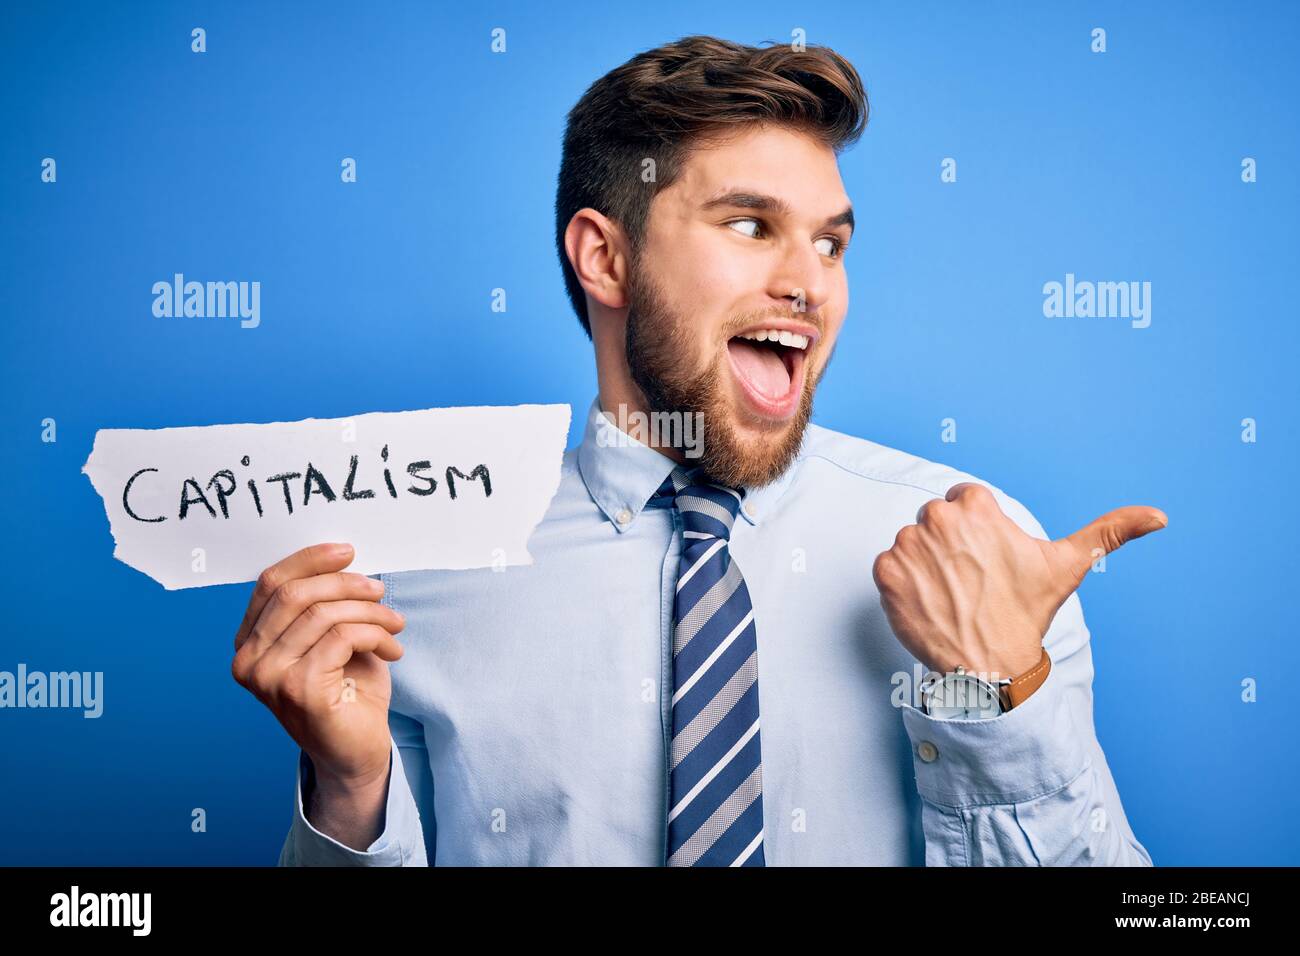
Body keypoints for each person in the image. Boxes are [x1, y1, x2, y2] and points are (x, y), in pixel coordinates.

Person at [232, 35, 1163, 866]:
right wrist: (349, 798)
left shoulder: (975, 550)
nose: (808, 284)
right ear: (605, 258)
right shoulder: (421, 577)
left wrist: (998, 689)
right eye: (751, 227)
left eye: (831, 245)